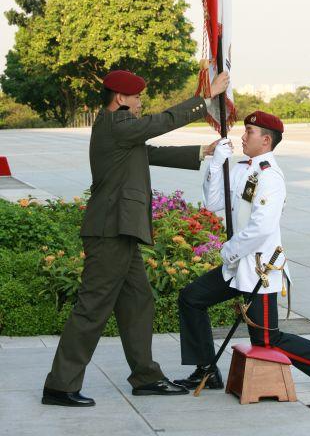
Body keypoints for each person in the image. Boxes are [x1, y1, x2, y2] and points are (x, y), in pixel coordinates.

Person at [42, 68, 229, 407]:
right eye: (138, 97)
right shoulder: (117, 124)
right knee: (92, 308)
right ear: (121, 99)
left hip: (119, 231)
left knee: (138, 302)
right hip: (109, 232)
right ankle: (60, 384)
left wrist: (203, 151)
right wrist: (206, 99)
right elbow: (161, 123)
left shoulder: (119, 131)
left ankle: (146, 377)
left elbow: (148, 152)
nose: (142, 103)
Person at [174, 111, 310, 393]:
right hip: (237, 266)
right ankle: (206, 370)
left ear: (266, 140)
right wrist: (216, 163)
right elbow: (212, 203)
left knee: (266, 340)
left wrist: (229, 250)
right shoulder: (242, 168)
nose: (243, 137)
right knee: (192, 298)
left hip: (260, 270)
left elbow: (262, 227)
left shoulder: (271, 177)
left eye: (249, 132)